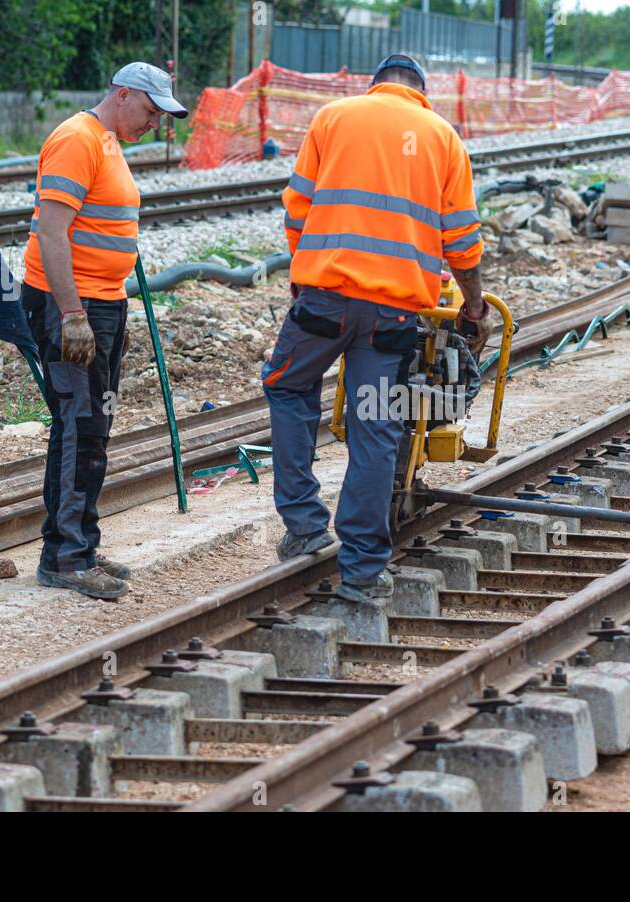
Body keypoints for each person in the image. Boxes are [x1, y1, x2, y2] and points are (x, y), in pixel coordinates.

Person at [262, 53, 488, 602]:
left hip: (325, 298)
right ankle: (363, 570)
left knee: (288, 387)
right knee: (376, 423)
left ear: (374, 87)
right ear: (420, 91)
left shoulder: (333, 118)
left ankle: (305, 523)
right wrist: (475, 305)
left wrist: (303, 268)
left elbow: (297, 208)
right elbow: (460, 237)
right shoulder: (443, 138)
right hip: (393, 313)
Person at [21, 62, 187, 599]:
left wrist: (114, 312)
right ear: (122, 95)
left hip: (102, 305)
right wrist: (73, 315)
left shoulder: (110, 141)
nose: (156, 123)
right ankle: (65, 557)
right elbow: (51, 231)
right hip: (69, 305)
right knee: (79, 424)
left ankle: (79, 545)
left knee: (91, 427)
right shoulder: (77, 139)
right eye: (150, 110)